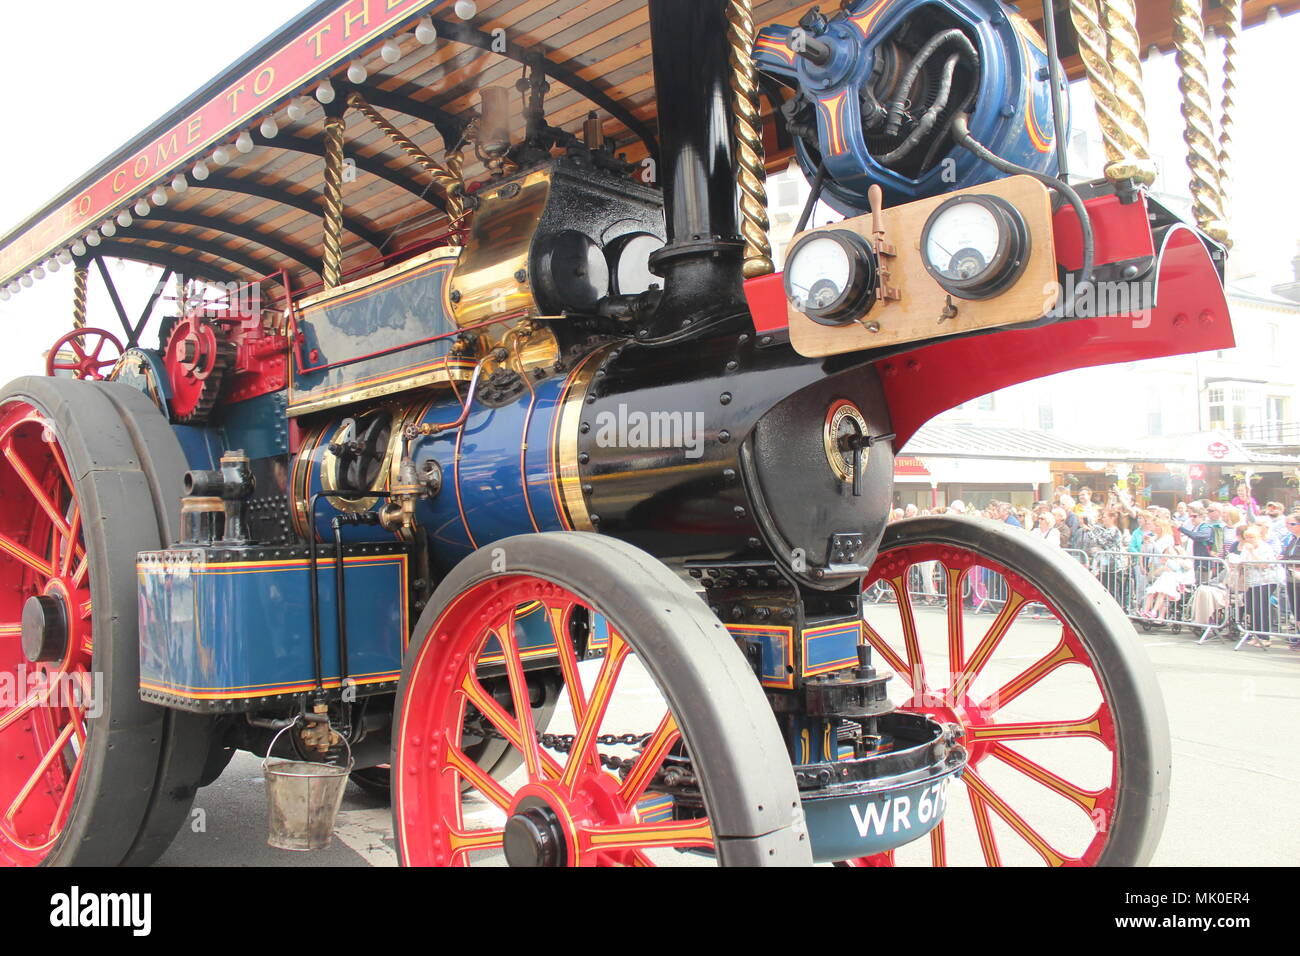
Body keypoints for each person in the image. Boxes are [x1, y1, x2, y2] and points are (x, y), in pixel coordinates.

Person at [1231, 525, 1280, 647]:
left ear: (1258, 537)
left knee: (1261, 608)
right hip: (1251, 581)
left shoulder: (1265, 547)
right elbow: (1242, 562)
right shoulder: (1246, 548)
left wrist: (1252, 551)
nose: (1249, 539)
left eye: (1252, 537)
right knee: (1252, 608)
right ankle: (1256, 635)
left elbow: (1263, 564)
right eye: (1247, 537)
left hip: (1265, 581)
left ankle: (1265, 637)